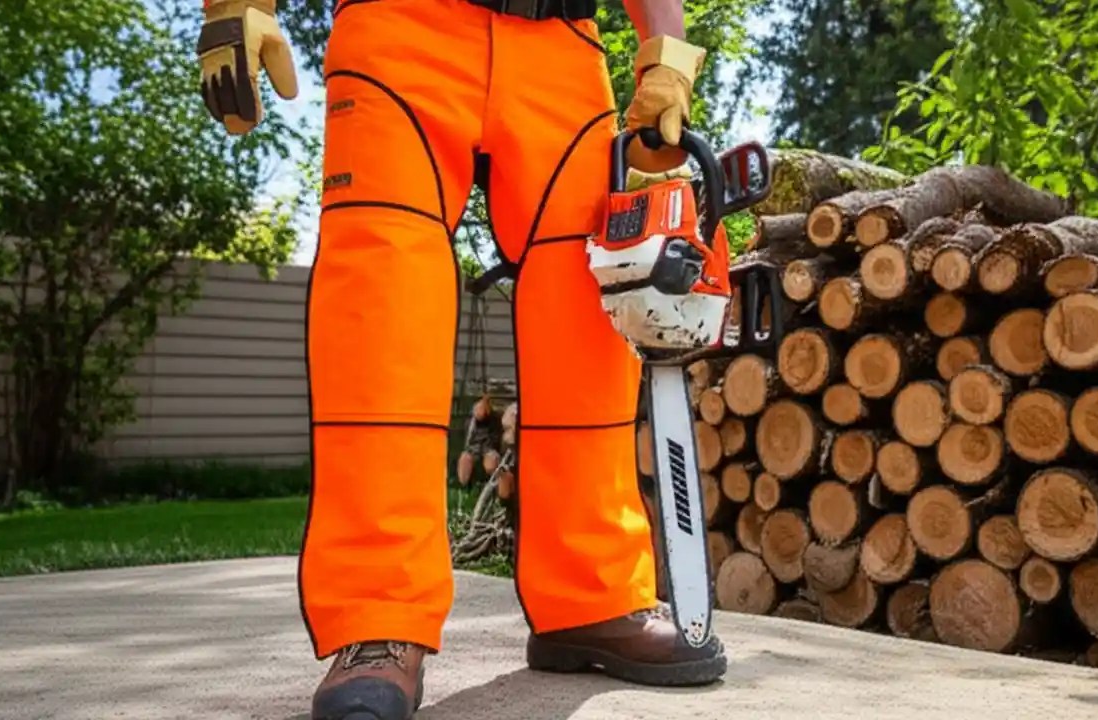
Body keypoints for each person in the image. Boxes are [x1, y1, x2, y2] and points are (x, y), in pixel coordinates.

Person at [194, 0, 726, 718]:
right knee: (383, 308)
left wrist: (665, 46)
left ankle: (592, 597)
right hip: (395, 32)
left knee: (584, 311)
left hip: (560, 46)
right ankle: (378, 618)